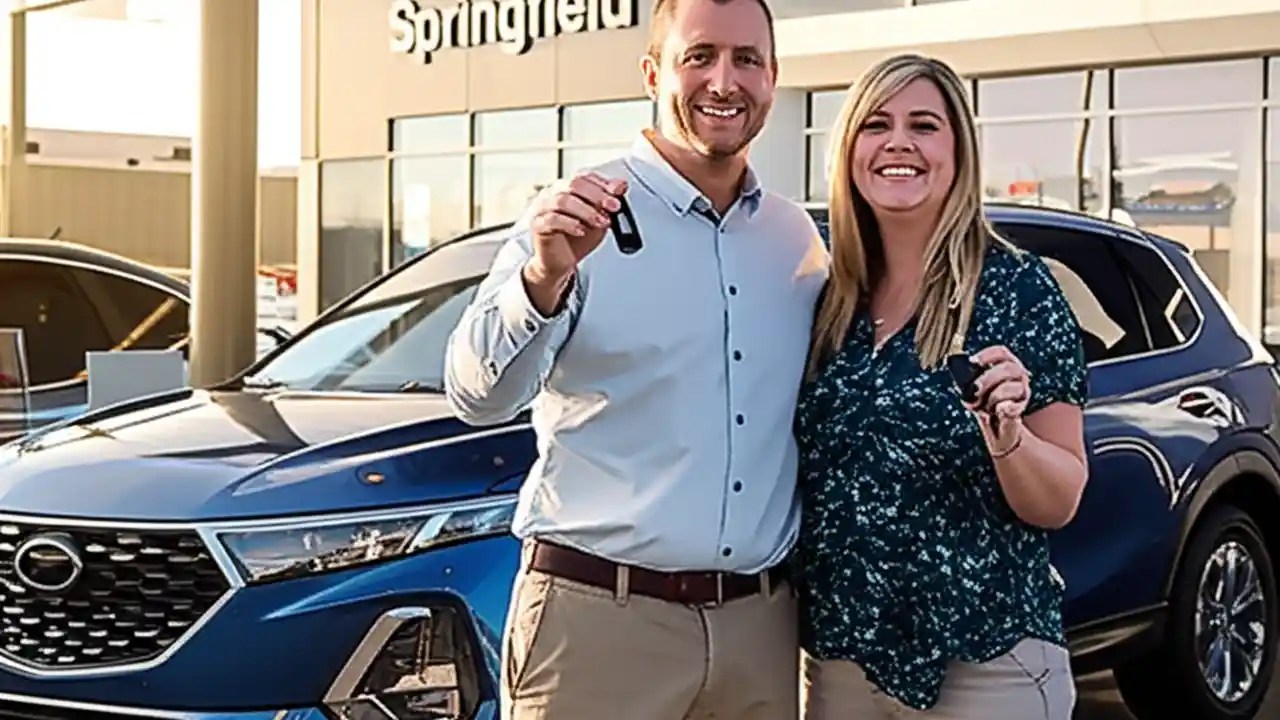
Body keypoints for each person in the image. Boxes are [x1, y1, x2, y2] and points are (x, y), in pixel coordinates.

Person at [443, 0, 829, 717]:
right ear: (653, 72)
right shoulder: (573, 217)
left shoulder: (795, 240)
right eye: (699, 56)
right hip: (599, 628)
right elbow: (477, 397)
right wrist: (544, 279)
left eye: (747, 59)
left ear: (773, 78)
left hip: (759, 629)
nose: (724, 80)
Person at [793, 53, 1089, 720]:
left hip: (987, 664)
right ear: (848, 151)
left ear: (958, 151)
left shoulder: (1017, 291)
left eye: (923, 125)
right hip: (840, 665)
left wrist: (1007, 435)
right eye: (876, 125)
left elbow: (1060, 498)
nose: (899, 143)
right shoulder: (823, 301)